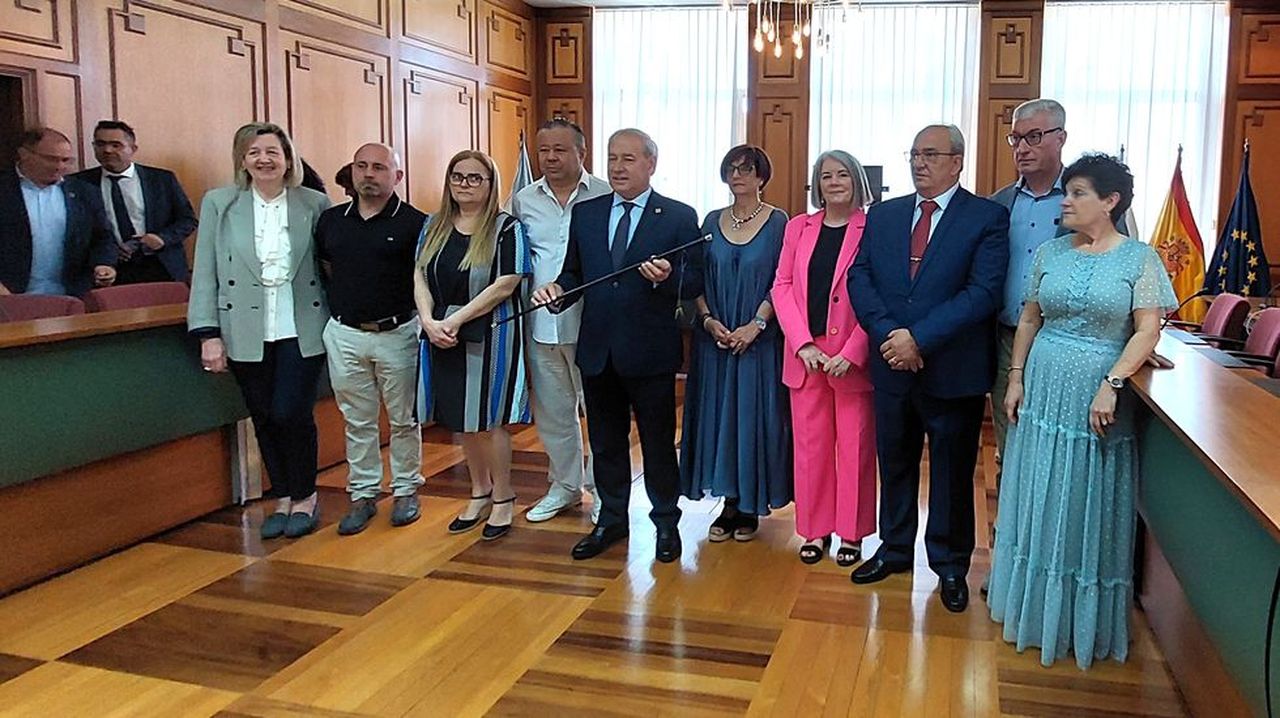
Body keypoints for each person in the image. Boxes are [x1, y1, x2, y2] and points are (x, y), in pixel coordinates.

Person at [988, 154, 1176, 668]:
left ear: (1110, 201)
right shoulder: (1050, 252)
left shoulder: (1139, 259)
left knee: (1084, 498)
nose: (1065, 202)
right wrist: (1016, 378)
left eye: (1078, 194)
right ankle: (1030, 610)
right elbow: (1029, 319)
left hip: (1096, 395)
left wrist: (1112, 383)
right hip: (1043, 387)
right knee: (1039, 490)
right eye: (1066, 192)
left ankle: (1077, 621)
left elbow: (1148, 330)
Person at [847, 124, 1009, 613]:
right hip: (892, 364)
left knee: (952, 472)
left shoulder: (987, 217)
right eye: (915, 154)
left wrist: (919, 338)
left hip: (952, 368)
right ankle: (894, 549)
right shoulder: (884, 215)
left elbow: (982, 292)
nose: (920, 163)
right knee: (894, 462)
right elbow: (860, 277)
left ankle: (951, 564)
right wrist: (890, 336)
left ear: (957, 161)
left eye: (931, 154)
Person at [531, 128, 704, 563]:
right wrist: (557, 292)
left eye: (628, 159)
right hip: (598, 349)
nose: (618, 167)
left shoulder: (678, 216)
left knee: (658, 444)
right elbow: (574, 273)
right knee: (606, 443)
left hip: (650, 352)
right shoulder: (587, 213)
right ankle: (610, 519)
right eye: (612, 158)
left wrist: (668, 278)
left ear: (651, 164)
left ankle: (666, 523)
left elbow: (695, 282)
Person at [187, 122, 332, 540]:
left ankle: (305, 497)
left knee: (291, 411)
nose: (264, 160)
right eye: (254, 152)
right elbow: (206, 271)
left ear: (288, 158)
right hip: (243, 327)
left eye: (272, 151)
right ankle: (283, 497)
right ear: (242, 159)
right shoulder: (220, 203)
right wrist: (208, 333)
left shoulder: (314, 202)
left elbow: (330, 267)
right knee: (264, 415)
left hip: (302, 325)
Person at [414, 150, 531, 542]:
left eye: (474, 177)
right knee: (462, 420)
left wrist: (456, 320)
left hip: (491, 334)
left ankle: (503, 496)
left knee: (488, 420)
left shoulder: (506, 228)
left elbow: (507, 282)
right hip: (441, 334)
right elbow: (419, 275)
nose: (464, 184)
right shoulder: (433, 224)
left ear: (490, 184)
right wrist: (428, 321)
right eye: (457, 176)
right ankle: (479, 491)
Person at [681, 144, 791, 543]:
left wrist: (755, 325)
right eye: (731, 169)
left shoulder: (779, 222)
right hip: (716, 339)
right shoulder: (711, 220)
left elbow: (784, 280)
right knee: (717, 419)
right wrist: (708, 320)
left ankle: (748, 505)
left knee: (751, 418)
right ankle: (727, 502)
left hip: (758, 340)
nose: (737, 176)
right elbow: (694, 276)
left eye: (746, 169)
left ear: (762, 176)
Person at [316, 143, 427, 535]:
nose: (368, 174)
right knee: (357, 420)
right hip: (345, 333)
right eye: (361, 166)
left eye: (379, 167)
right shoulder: (331, 221)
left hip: (397, 333)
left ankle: (406, 490)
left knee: (404, 419)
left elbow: (424, 280)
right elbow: (326, 268)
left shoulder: (416, 223)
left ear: (397, 176)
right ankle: (363, 493)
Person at [772, 150, 877, 565]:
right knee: (811, 448)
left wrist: (853, 350)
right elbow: (781, 286)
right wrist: (801, 342)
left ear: (857, 181)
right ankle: (815, 530)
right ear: (817, 184)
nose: (834, 182)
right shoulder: (799, 227)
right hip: (806, 355)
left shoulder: (873, 228)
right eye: (826, 175)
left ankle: (852, 533)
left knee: (854, 448)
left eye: (843, 174)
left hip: (852, 357)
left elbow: (882, 295)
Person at [511, 119, 610, 524]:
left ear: (581, 153)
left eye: (560, 150)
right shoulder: (523, 199)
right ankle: (565, 487)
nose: (550, 158)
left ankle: (603, 490)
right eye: (544, 150)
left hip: (593, 324)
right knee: (554, 414)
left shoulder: (605, 194)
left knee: (601, 413)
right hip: (541, 325)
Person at [72, 120, 197, 284]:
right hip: (109, 269)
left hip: (160, 264)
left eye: (116, 145)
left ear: (133, 148)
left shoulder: (161, 179)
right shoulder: (79, 183)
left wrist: (162, 238)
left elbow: (188, 219)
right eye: (100, 144)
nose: (107, 150)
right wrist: (106, 255)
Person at [0, 128, 115, 296]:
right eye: (51, 159)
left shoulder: (84, 192)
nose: (60, 166)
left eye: (65, 160)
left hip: (71, 296)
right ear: (24, 154)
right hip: (10, 296)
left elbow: (103, 237)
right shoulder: (4, 188)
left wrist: (103, 264)